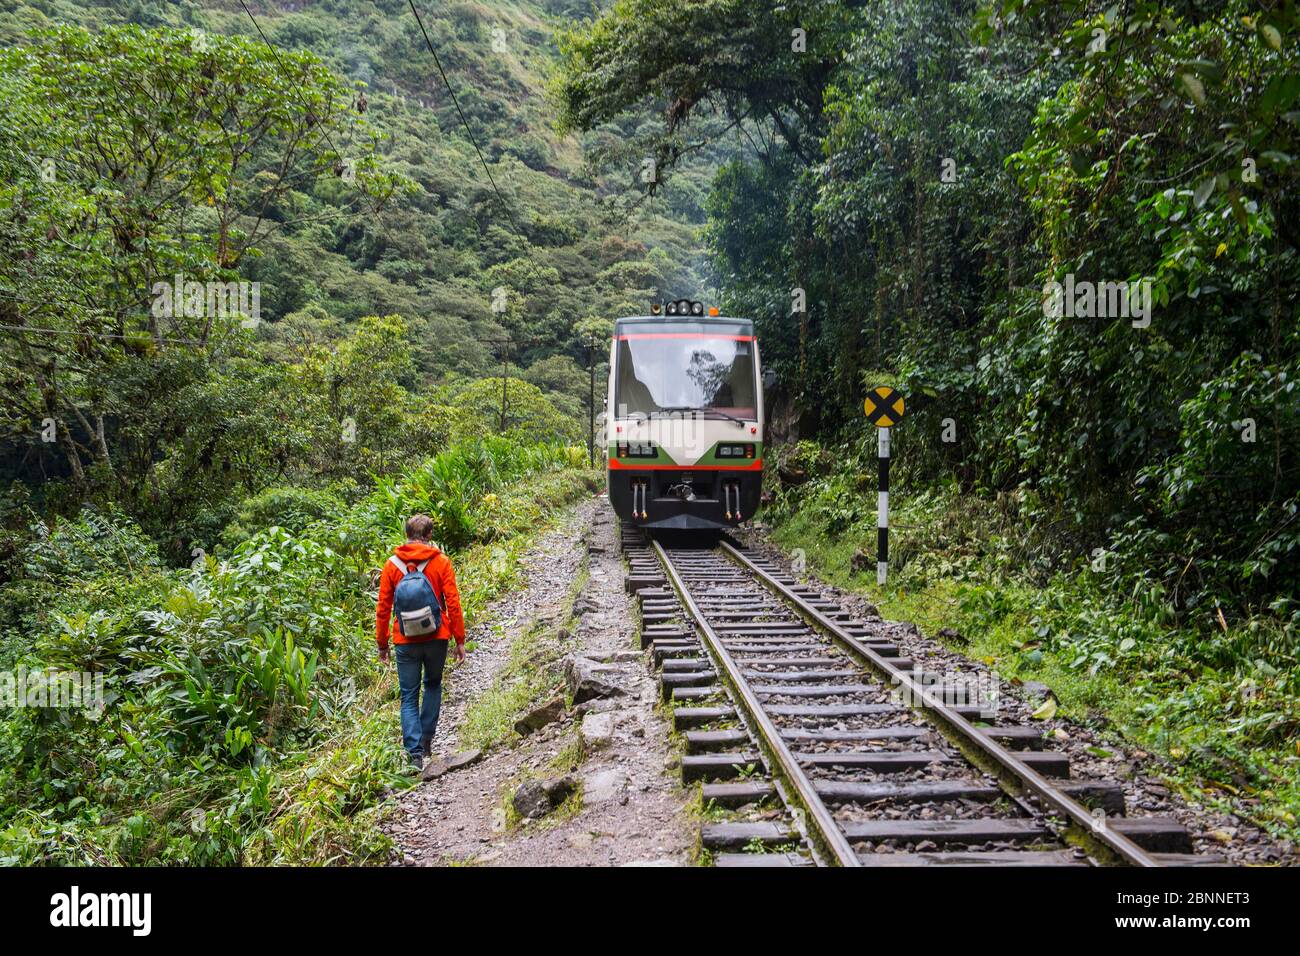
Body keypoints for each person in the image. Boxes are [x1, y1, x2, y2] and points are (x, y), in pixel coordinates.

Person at [375, 514, 466, 769]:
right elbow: (453, 603)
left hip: (404, 641)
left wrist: (382, 644)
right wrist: (460, 639)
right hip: (437, 636)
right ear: (429, 536)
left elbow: (383, 608)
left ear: (407, 535)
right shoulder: (441, 562)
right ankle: (426, 740)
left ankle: (414, 754)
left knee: (408, 696)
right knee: (433, 684)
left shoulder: (392, 565)